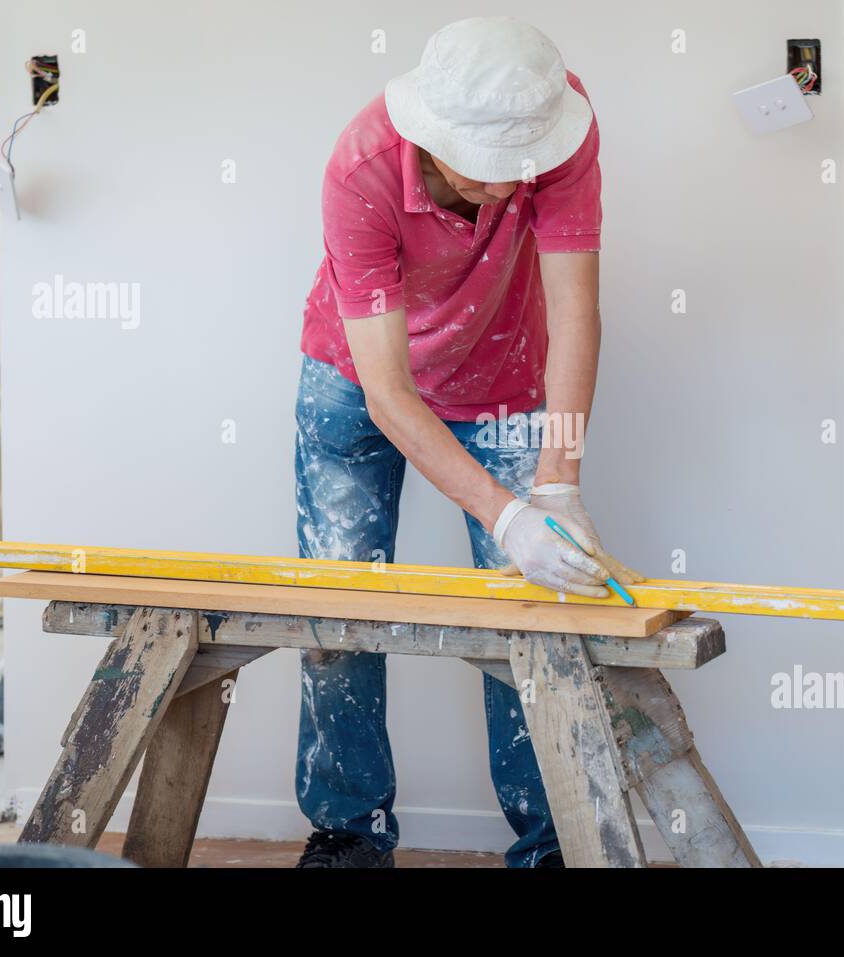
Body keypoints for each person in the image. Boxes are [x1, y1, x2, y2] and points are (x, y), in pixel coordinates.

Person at [294, 16, 640, 869]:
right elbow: (389, 393)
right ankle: (348, 833)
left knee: (532, 607)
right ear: (430, 138)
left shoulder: (558, 123)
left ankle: (549, 839)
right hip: (357, 382)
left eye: (516, 170)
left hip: (504, 374)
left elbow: (573, 314)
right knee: (343, 600)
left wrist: (556, 480)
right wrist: (501, 511)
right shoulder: (360, 167)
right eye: (483, 170)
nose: (504, 188)